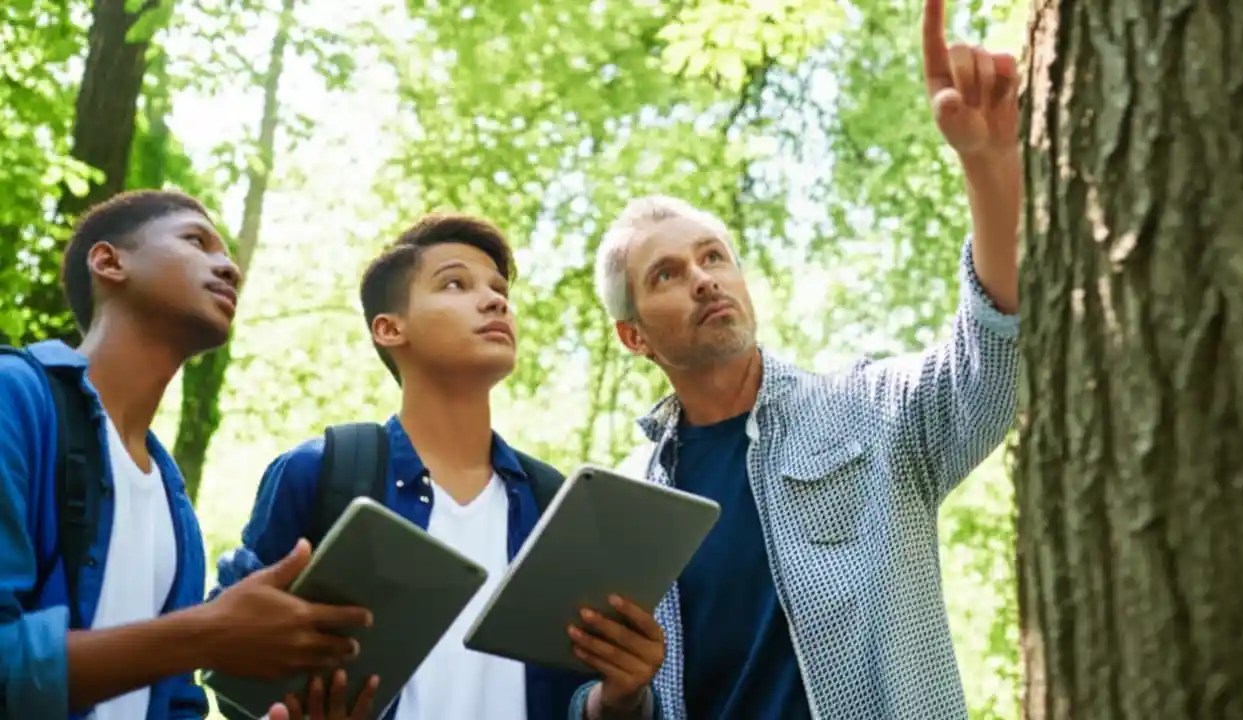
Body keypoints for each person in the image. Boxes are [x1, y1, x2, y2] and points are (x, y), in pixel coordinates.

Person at [585, 1, 1021, 717]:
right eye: (666, 274)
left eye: (713, 257)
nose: (703, 278)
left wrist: (990, 166)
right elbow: (590, 700)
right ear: (634, 338)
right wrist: (617, 697)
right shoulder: (621, 511)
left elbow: (994, 353)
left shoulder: (872, 414)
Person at [214, 212, 665, 720]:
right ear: (389, 328)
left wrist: (623, 698)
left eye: (500, 290)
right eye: (455, 284)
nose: (495, 300)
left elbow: (579, 694)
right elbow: (231, 668)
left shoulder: (555, 501)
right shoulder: (318, 473)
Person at [0, 190, 373, 720]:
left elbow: (176, 706)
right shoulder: (15, 399)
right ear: (109, 262)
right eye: (197, 241)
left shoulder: (175, 511)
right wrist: (207, 633)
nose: (230, 268)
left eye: (229, 255)